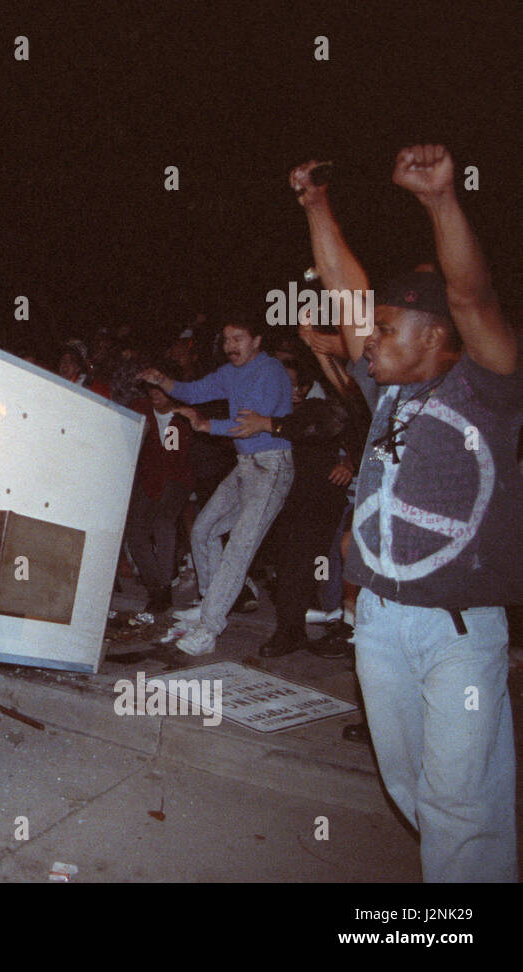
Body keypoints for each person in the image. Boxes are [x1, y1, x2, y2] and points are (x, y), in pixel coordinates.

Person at [293, 144, 521, 882]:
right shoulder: (387, 391)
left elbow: (474, 297)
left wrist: (440, 200)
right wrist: (316, 205)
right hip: (380, 623)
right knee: (411, 789)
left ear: (435, 338)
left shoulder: (486, 391)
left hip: (457, 631)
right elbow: (344, 286)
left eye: (387, 330)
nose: (368, 339)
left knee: (461, 805)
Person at [139, 320, 295, 655]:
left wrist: (205, 424)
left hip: (271, 466)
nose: (230, 346)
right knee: (204, 529)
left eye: (238, 338)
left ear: (257, 340)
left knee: (239, 547)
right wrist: (163, 381)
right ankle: (210, 601)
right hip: (244, 466)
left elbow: (248, 426)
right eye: (226, 340)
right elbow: (195, 391)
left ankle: (209, 628)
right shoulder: (230, 371)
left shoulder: (270, 371)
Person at [232, 355, 356, 656]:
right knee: (288, 568)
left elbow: (337, 428)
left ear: (303, 388)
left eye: (293, 384)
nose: (288, 389)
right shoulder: (263, 415)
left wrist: (351, 463)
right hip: (283, 501)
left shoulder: (314, 410)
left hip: (319, 501)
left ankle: (294, 632)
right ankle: (299, 627)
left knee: (299, 568)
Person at [125, 379, 195, 613]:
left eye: (161, 388)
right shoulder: (141, 407)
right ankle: (157, 586)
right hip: (148, 477)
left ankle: (163, 588)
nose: (155, 393)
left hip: (175, 479)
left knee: (163, 524)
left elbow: (173, 461)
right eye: (151, 388)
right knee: (135, 533)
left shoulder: (180, 419)